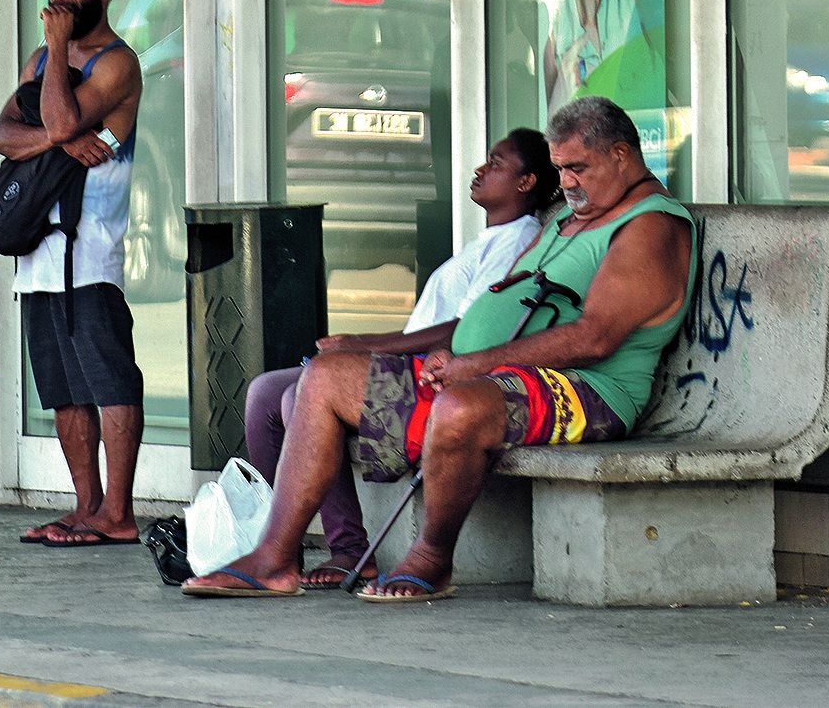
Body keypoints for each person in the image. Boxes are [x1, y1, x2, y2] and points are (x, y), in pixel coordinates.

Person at [185, 96, 692, 600]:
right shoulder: (568, 219)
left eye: (578, 168)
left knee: (459, 407)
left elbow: (594, 338)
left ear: (623, 155)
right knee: (324, 375)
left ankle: (431, 559)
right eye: (561, 170)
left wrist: (474, 363)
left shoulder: (649, 226)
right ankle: (275, 559)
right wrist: (449, 357)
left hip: (588, 392)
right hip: (493, 374)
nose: (567, 184)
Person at [242, 128, 559, 589]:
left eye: (496, 162)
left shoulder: (518, 240)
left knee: (298, 397)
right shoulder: (491, 238)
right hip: (404, 362)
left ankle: (349, 549)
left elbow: (462, 331)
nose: (480, 170)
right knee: (263, 393)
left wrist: (365, 344)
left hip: (429, 372)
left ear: (526, 182)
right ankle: (279, 546)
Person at [0, 0, 146, 548]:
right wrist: (58, 142)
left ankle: (119, 512)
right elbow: (4, 136)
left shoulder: (117, 65)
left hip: (93, 248)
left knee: (109, 378)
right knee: (61, 386)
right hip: (39, 249)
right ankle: (85, 507)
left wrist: (58, 53)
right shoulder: (39, 59)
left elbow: (59, 121)